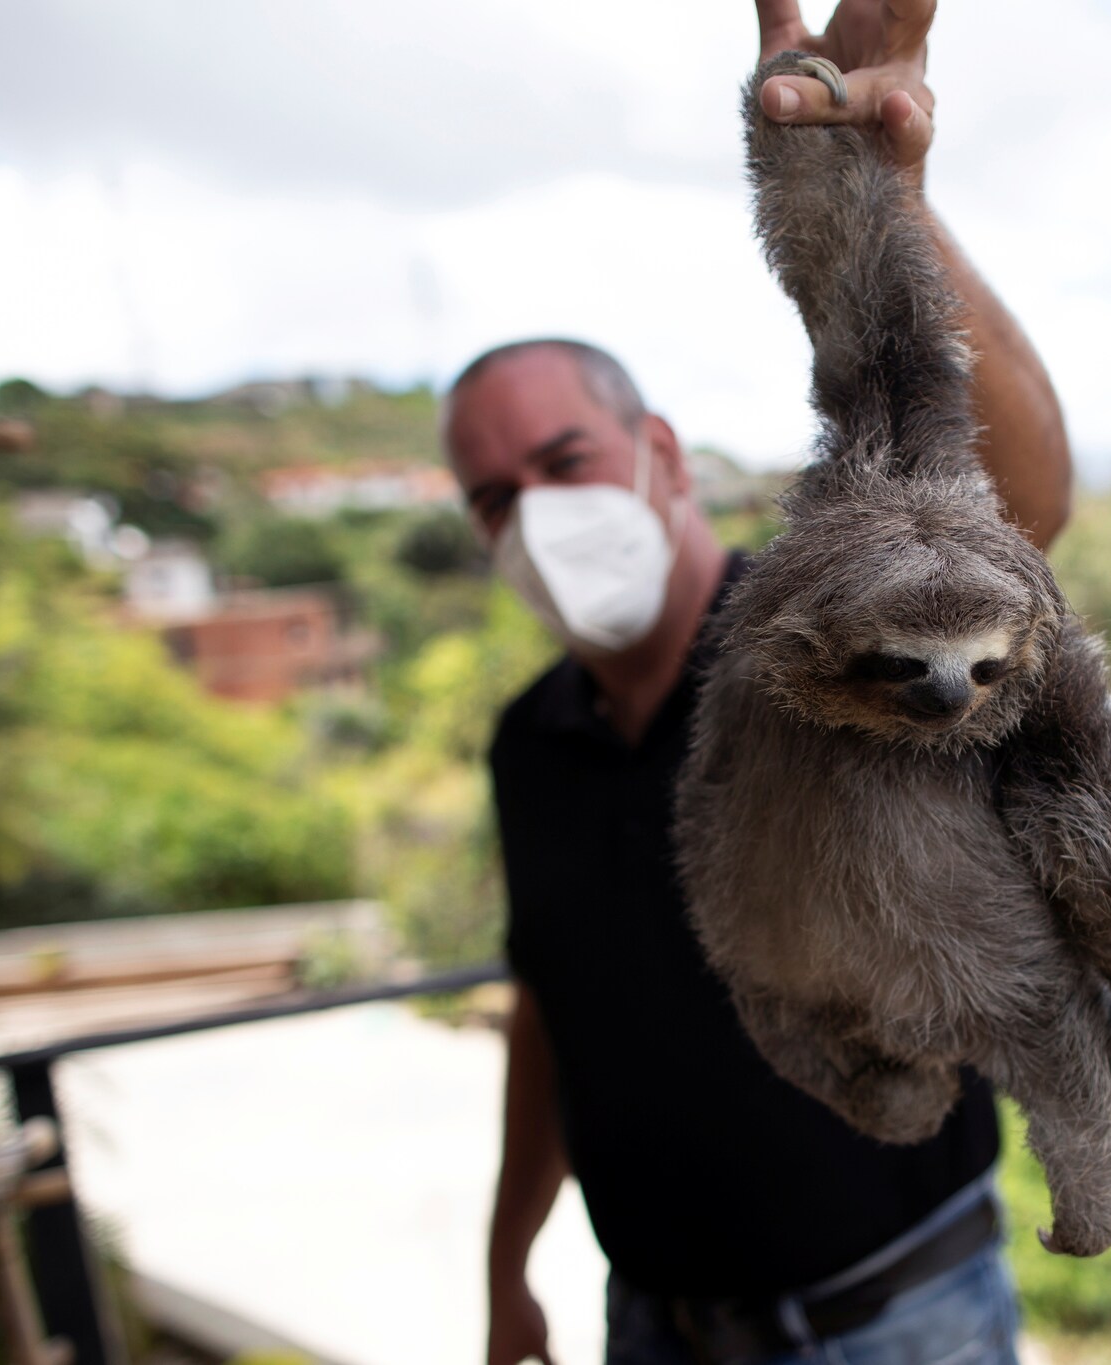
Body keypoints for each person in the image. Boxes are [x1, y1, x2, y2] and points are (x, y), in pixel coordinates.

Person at [443, 4, 1072, 1362]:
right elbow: (551, 1010)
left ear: (659, 453)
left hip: (894, 1319)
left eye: (564, 464)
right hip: (654, 1326)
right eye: (494, 496)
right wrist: (508, 1265)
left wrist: (881, 213)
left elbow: (1014, 513)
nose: (534, 516)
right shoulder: (529, 745)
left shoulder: (815, 645)